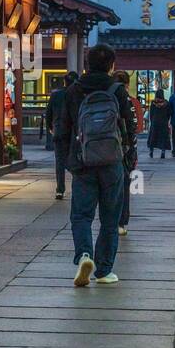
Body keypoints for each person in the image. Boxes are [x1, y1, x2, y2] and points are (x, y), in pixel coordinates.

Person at [54, 44, 136, 286]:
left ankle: (84, 255)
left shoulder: (73, 90)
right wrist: (127, 154)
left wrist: (70, 160)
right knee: (110, 217)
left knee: (81, 215)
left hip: (83, 161)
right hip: (112, 161)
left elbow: (63, 128)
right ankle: (104, 271)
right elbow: (130, 127)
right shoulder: (118, 90)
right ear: (112, 65)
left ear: (86, 64)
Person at [113, 71, 139, 235]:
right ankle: (122, 222)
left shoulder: (103, 94)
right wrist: (131, 146)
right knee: (124, 184)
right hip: (122, 146)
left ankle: (110, 220)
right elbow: (131, 124)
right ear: (127, 84)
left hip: (101, 146)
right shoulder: (126, 98)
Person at [45, 71, 78, 199]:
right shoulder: (77, 95)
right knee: (75, 159)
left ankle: (60, 189)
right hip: (73, 132)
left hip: (59, 131)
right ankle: (77, 183)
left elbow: (48, 113)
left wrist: (51, 128)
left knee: (59, 161)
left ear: (64, 82)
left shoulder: (56, 95)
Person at [146, 89, 171, 158]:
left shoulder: (153, 103)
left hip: (155, 122)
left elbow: (151, 113)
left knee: (153, 137)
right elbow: (169, 113)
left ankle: (151, 151)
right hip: (163, 122)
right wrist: (167, 120)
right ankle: (163, 152)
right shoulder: (166, 103)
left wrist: (152, 120)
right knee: (163, 137)